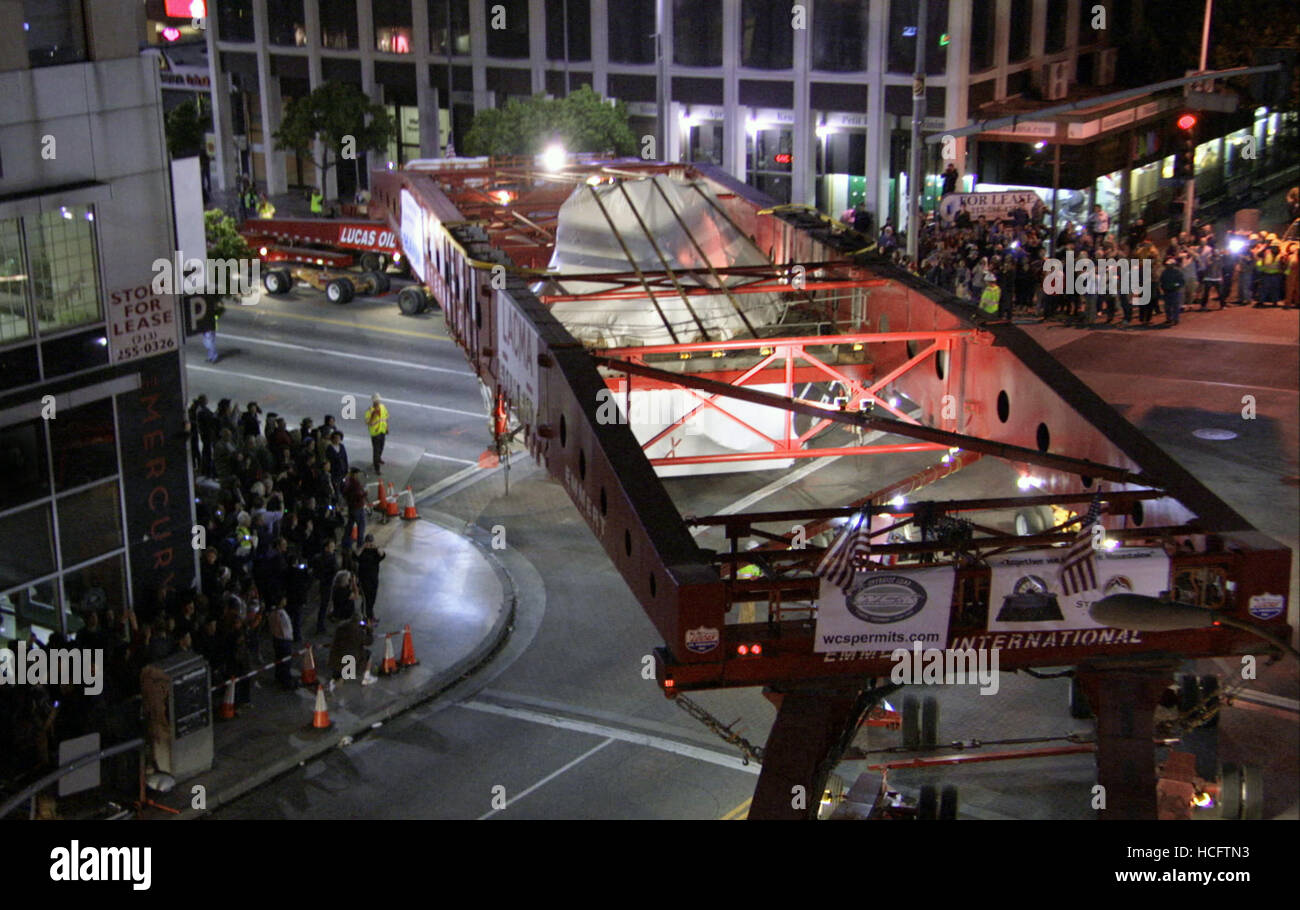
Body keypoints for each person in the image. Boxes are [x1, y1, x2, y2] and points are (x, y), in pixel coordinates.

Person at [312, 539, 340, 635]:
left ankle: (321, 624)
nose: (334, 549)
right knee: (325, 605)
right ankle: (321, 626)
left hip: (324, 584)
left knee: (324, 605)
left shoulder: (318, 557)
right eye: (332, 547)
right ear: (326, 548)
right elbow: (335, 569)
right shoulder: (330, 558)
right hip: (328, 584)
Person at [356, 535, 386, 622]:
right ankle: (365, 620)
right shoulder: (362, 552)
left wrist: (376, 547)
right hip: (364, 580)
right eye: (368, 542)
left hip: (374, 580)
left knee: (372, 599)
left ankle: (370, 616)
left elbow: (382, 555)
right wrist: (363, 547)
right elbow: (355, 556)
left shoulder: (375, 552)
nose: (369, 544)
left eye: (371, 542)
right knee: (366, 600)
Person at [268, 598, 296, 689]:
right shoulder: (280, 614)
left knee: (279, 659)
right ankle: (286, 681)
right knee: (285, 661)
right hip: (283, 640)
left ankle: (279, 677)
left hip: (276, 639)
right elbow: (285, 628)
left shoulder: (272, 613)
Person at [341, 467, 368, 549]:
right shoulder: (355, 483)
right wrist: (365, 494)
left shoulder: (347, 482)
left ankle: (345, 542)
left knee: (349, 525)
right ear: (355, 474)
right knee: (361, 525)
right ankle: (360, 544)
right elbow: (358, 495)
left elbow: (345, 493)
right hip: (358, 507)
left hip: (351, 507)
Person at [365, 394, 389, 474]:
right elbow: (368, 423)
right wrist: (373, 415)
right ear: (373, 402)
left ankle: (378, 459)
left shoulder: (383, 407)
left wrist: (387, 428)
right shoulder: (369, 411)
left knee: (381, 447)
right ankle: (377, 468)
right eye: (376, 401)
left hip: (382, 431)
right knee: (376, 450)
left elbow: (385, 418)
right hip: (375, 433)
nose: (377, 402)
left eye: (378, 401)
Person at [1159, 257, 1185, 327]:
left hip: (1175, 291)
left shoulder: (1177, 272)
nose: (1168, 265)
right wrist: (1163, 287)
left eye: (1170, 264)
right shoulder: (1165, 272)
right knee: (1167, 306)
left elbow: (1181, 282)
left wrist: (1175, 285)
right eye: (1168, 264)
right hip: (1167, 291)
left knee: (1175, 306)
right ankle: (1169, 318)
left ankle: (1175, 319)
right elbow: (1161, 280)